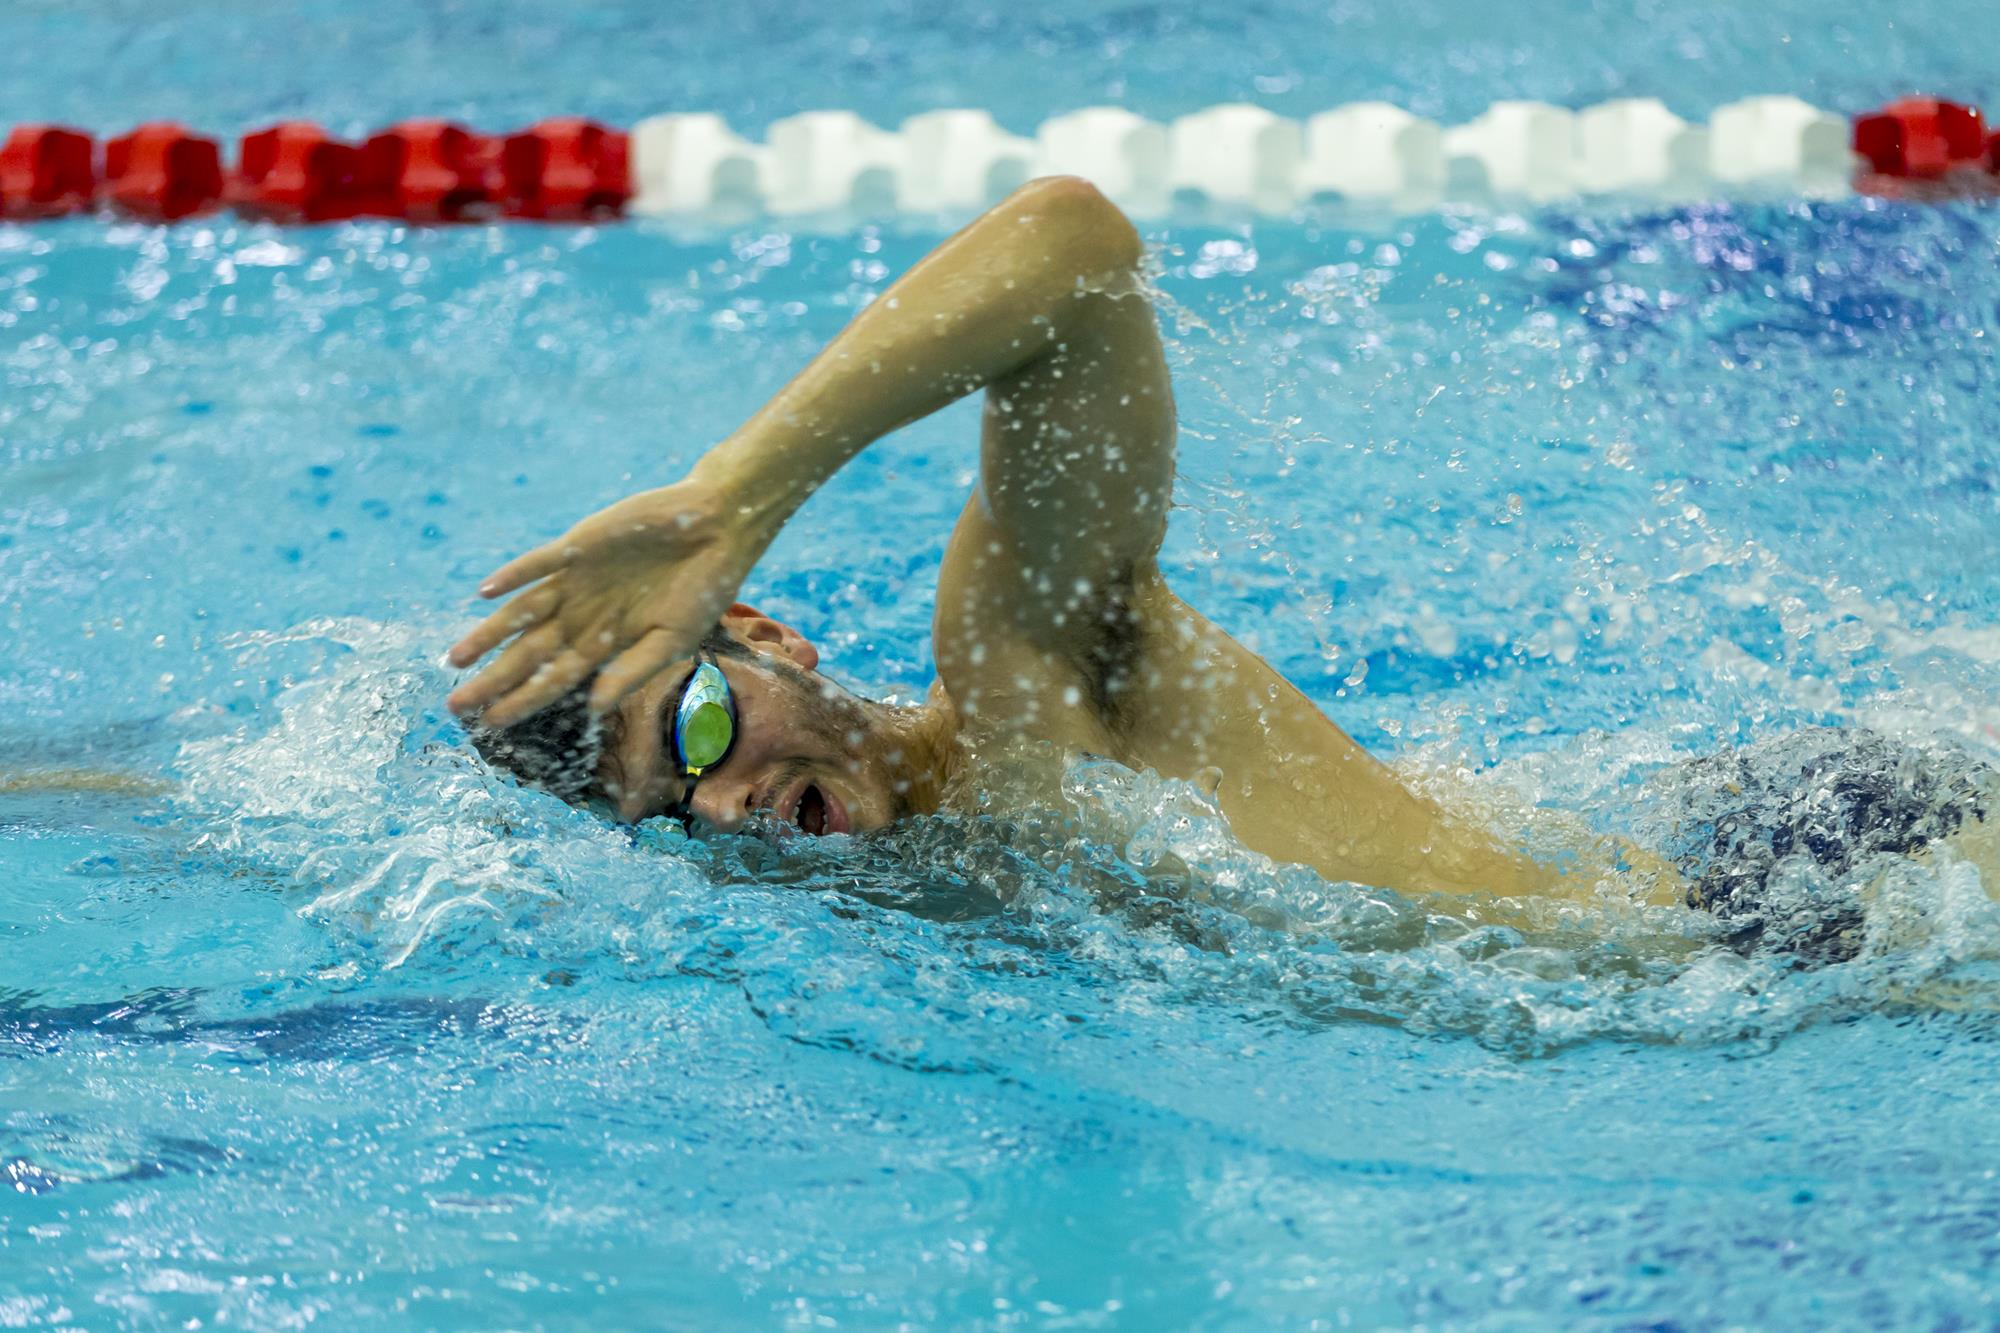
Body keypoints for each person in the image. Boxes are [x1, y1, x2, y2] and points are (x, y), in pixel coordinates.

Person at [445, 176, 1990, 935]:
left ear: (771, 635)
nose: (723, 805)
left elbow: (1071, 249)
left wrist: (734, 495)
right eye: (673, 814)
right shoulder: (923, 910)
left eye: (696, 726)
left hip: (1802, 906)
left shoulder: (1024, 675)